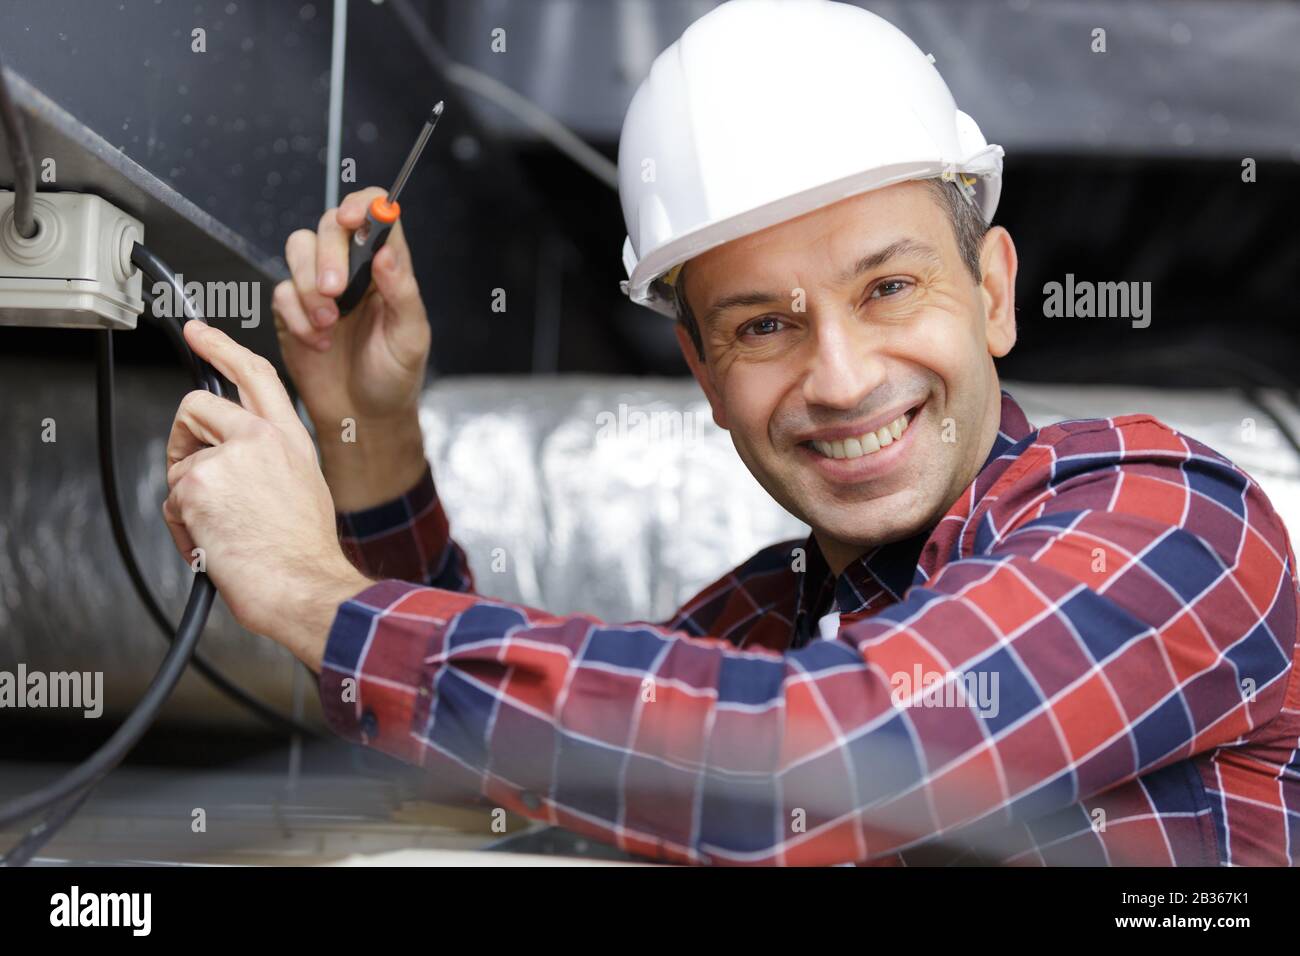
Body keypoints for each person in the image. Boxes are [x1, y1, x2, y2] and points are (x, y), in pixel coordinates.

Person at [162, 0, 1299, 865]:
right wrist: (367, 424)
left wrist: (311, 590)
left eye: (890, 288)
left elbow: (833, 760)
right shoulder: (760, 627)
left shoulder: (1168, 519)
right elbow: (481, 769)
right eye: (765, 324)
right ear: (703, 371)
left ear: (992, 292)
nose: (842, 377)